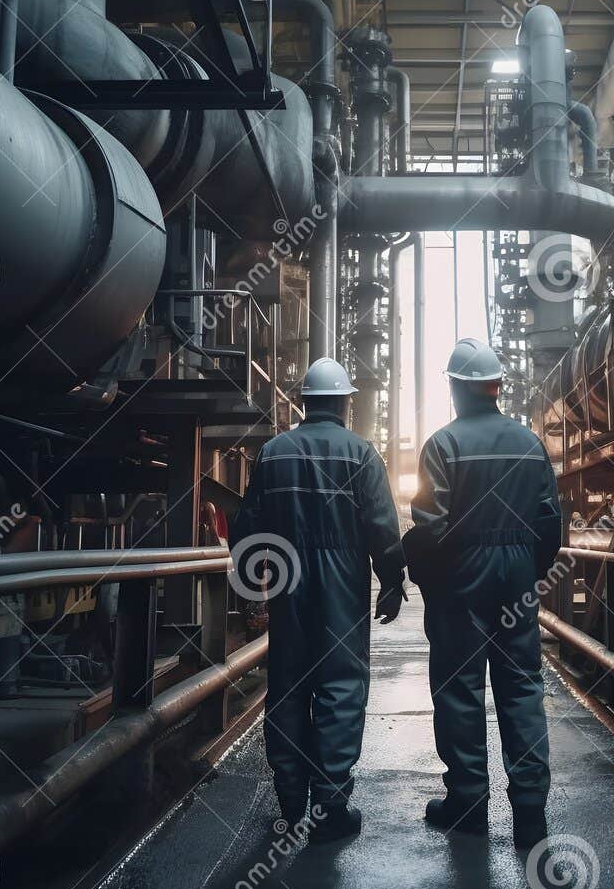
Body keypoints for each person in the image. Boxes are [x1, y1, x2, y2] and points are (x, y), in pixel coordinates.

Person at [229, 357, 406, 844]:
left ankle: (289, 804)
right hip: (343, 586)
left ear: (304, 402)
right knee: (340, 689)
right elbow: (382, 529)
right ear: (346, 402)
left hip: (288, 583)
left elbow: (248, 528)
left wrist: (253, 589)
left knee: (288, 689)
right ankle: (330, 807)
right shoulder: (362, 454)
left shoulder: (274, 452)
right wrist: (390, 581)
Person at [403, 338, 563, 848]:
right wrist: (526, 571)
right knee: (521, 689)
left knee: (458, 689)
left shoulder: (442, 445)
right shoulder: (528, 442)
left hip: (460, 576)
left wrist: (430, 580)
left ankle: (468, 803)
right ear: (497, 386)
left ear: (455, 387)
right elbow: (550, 522)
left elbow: (429, 527)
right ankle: (531, 814)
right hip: (517, 571)